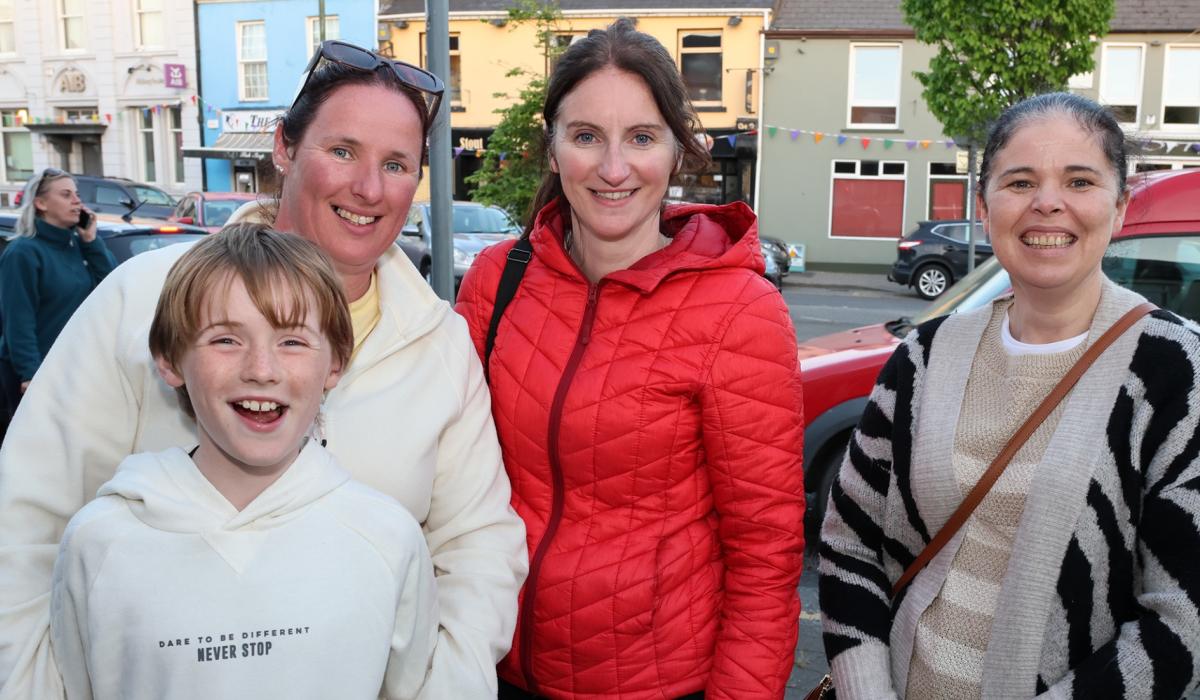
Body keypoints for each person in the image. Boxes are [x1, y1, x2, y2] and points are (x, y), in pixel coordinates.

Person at [0, 40, 526, 699]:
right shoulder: (145, 299)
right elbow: (25, 523)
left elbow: (477, 552)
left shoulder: (439, 344)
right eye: (343, 151)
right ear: (284, 148)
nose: (369, 188)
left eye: (396, 164)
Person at [456, 19, 805, 700]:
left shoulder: (740, 310)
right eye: (586, 137)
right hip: (491, 664)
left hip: (656, 683)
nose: (613, 169)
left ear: (678, 151)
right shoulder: (496, 281)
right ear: (552, 148)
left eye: (641, 138)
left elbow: (765, 558)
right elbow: (448, 481)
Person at [819, 92, 1200, 699]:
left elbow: (1186, 618)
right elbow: (849, 543)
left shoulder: (1179, 369)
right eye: (1020, 181)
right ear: (984, 205)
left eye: (1079, 180)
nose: (1048, 203)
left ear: (1121, 207)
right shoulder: (923, 355)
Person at [51, 223, 438, 700]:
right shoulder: (98, 541)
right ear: (169, 360)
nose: (261, 369)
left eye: (292, 341)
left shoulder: (389, 539)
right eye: (225, 340)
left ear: (335, 363)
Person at [0, 169, 115, 441]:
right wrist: (30, 375)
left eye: (76, 194)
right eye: (66, 195)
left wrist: (90, 241)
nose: (77, 201)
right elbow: (18, 320)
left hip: (71, 367)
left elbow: (111, 288)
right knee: (36, 450)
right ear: (40, 203)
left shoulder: (77, 245)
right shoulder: (23, 253)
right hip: (34, 373)